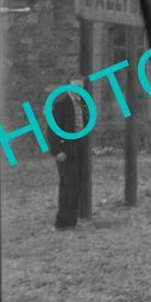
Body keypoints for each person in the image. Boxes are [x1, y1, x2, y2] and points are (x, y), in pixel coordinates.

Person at [49, 71, 91, 231]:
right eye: (75, 86)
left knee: (76, 185)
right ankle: (61, 222)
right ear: (69, 85)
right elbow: (52, 128)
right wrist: (57, 151)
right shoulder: (62, 102)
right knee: (67, 186)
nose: (78, 89)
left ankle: (71, 222)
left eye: (81, 86)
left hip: (78, 149)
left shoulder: (82, 102)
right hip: (65, 150)